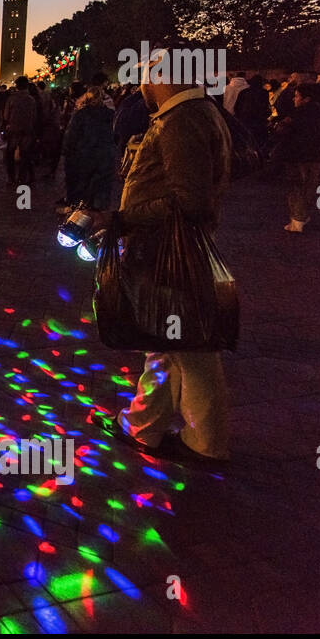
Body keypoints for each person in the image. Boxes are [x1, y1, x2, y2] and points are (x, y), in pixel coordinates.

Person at [88, 49, 233, 463]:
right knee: (167, 343)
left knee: (189, 348)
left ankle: (205, 443)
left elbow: (190, 200)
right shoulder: (203, 113)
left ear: (162, 77)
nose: (141, 89)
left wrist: (121, 217)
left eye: (145, 79)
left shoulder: (180, 120)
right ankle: (145, 427)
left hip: (167, 250)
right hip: (175, 247)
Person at [274, 81, 320, 233]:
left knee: (296, 187)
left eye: (296, 96)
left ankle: (297, 221)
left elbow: (282, 131)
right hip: (317, 156)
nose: (294, 99)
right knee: (309, 186)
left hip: (296, 155)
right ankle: (302, 216)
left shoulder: (296, 114)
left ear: (306, 99)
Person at [61, 86, 116, 211]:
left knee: (83, 188)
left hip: (84, 156)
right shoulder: (110, 114)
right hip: (105, 157)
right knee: (101, 190)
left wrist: (67, 152)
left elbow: (71, 136)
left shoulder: (81, 114)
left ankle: (81, 214)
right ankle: (98, 215)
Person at [1, 77, 39, 185]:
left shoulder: (11, 99)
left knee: (10, 154)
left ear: (16, 86)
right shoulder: (31, 100)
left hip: (13, 129)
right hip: (27, 130)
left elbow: (6, 115)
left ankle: (11, 178)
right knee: (25, 155)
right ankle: (22, 177)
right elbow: (34, 117)